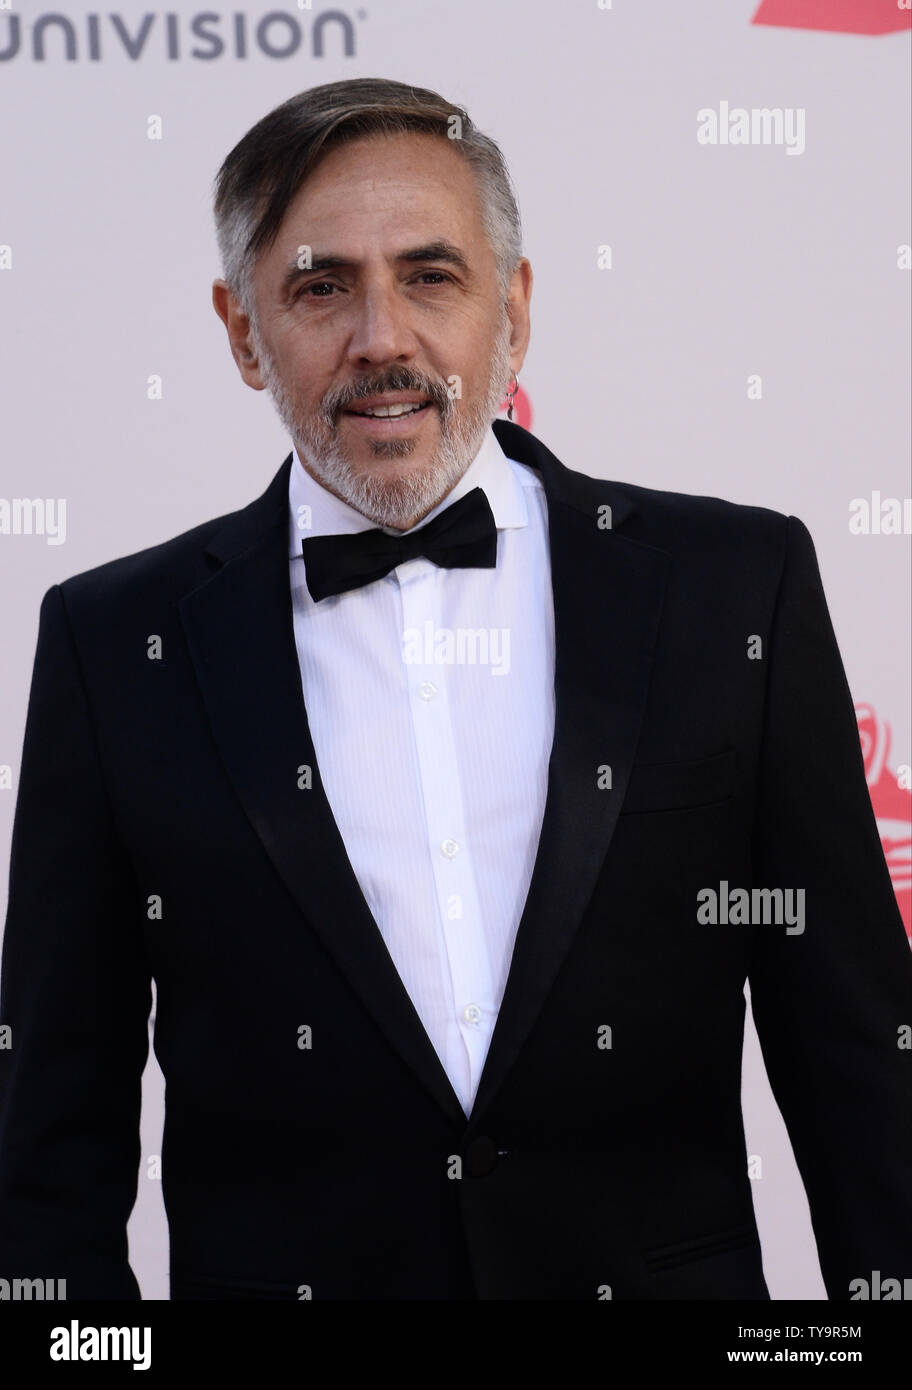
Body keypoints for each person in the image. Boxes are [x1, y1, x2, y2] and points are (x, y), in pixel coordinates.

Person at [1, 78, 909, 1302]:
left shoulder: (733, 590)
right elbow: (52, 1135)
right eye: (323, 286)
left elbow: (859, 1063)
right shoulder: (115, 645)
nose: (382, 337)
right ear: (239, 329)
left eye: (432, 275)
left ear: (515, 309)